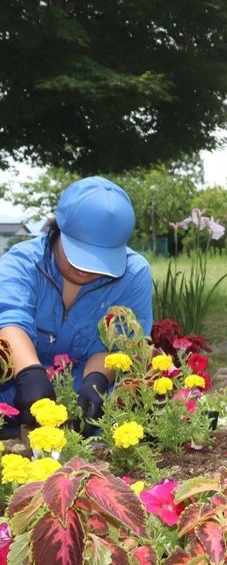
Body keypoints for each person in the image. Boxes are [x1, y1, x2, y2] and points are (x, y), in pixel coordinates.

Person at [0, 176, 152, 434]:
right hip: (13, 398)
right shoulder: (21, 263)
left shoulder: (133, 275)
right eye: (78, 254)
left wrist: (96, 381)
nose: (85, 269)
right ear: (58, 229)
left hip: (80, 404)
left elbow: (121, 343)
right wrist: (29, 375)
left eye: (99, 261)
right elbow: (10, 318)